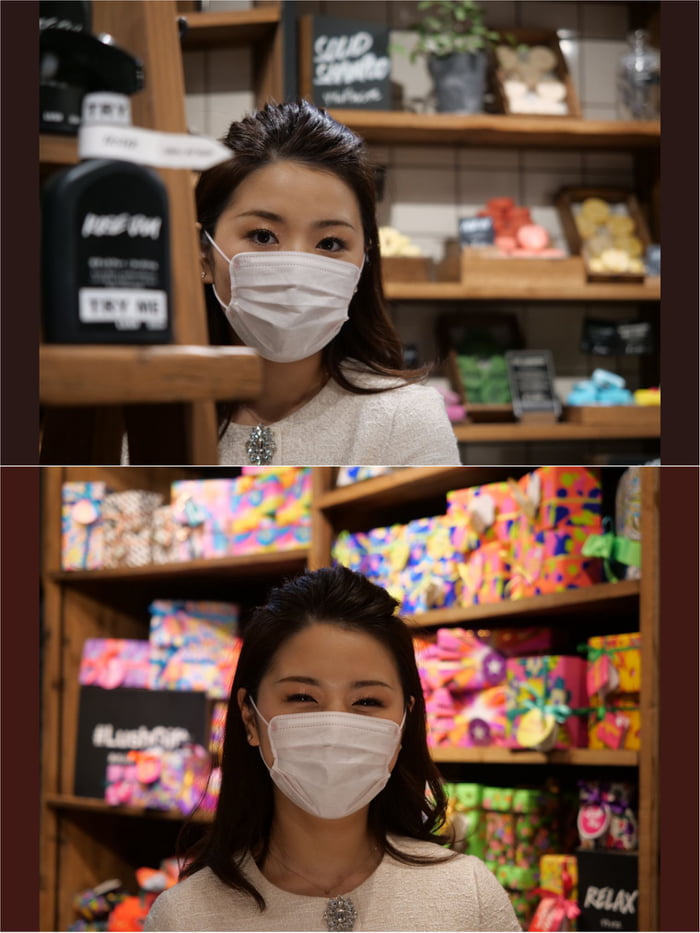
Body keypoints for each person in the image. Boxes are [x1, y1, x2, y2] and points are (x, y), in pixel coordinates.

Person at [144, 566, 520, 932]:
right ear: (248, 717)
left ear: (404, 720)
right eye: (303, 696)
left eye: (368, 701)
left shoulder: (468, 896)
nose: (335, 724)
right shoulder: (185, 918)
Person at [196, 99, 461, 467]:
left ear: (362, 264)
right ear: (203, 253)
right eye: (262, 235)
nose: (297, 265)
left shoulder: (406, 418)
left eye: (330, 243)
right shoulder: (145, 415)